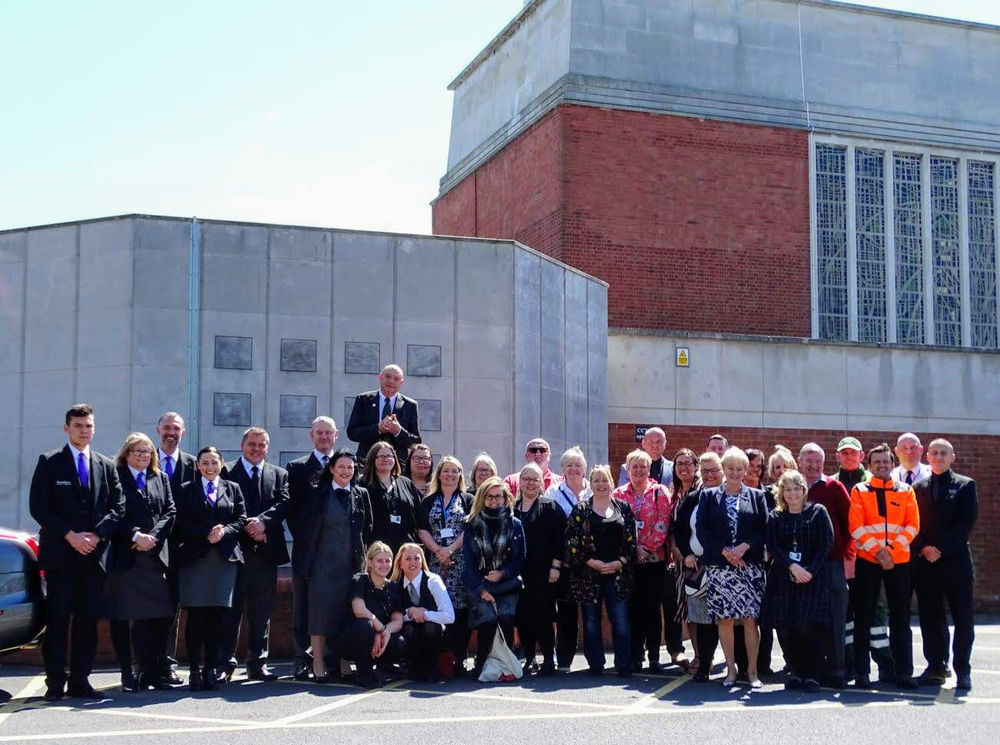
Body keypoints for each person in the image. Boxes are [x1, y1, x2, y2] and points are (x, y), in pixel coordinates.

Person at [29, 403, 125, 702]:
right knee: (57, 620)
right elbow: (39, 507)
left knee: (88, 621)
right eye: (78, 426)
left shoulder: (105, 465)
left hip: (94, 557)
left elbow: (118, 507)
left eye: (89, 426)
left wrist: (96, 535)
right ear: (67, 428)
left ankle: (81, 680)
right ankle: (55, 681)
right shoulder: (50, 461)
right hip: (61, 556)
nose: (84, 431)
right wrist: (70, 535)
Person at [291, 449, 372, 682]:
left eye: (350, 467)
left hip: (352, 564)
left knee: (347, 613)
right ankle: (317, 661)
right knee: (320, 613)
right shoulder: (318, 493)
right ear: (331, 469)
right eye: (341, 467)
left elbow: (367, 528)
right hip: (322, 563)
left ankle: (344, 660)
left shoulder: (361, 493)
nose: (346, 471)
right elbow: (306, 529)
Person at [217, 426, 290, 683]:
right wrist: (250, 528)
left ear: (267, 448)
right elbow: (223, 507)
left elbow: (283, 504)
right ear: (242, 445)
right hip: (235, 554)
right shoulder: (226, 472)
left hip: (266, 553)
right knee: (230, 612)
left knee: (262, 612)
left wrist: (263, 524)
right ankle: (224, 663)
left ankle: (257, 663)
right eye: (252, 444)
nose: (257, 449)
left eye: (262, 445)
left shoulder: (279, 475)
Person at [105, 433, 175, 692]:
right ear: (126, 454)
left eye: (147, 452)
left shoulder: (160, 477)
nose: (143, 456)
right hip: (127, 557)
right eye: (137, 451)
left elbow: (170, 511)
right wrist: (134, 535)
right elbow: (110, 513)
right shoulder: (115, 478)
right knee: (123, 618)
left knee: (156, 619)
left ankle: (150, 672)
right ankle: (127, 672)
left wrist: (153, 537)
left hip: (154, 558)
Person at [173, 446, 246, 691]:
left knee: (217, 617)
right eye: (205, 463)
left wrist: (224, 531)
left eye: (214, 462)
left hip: (223, 561)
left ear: (222, 464)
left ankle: (210, 670)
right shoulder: (186, 490)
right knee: (195, 617)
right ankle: (194, 670)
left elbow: (240, 519)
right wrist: (206, 533)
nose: (210, 467)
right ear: (198, 465)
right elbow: (179, 522)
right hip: (196, 559)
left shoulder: (232, 488)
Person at [848, 443, 920, 689]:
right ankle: (862, 673)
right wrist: (878, 552)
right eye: (877, 462)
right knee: (863, 616)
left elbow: (912, 526)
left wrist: (889, 552)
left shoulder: (906, 491)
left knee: (901, 617)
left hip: (898, 562)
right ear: (869, 466)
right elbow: (856, 526)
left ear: (893, 463)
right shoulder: (859, 490)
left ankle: (904, 672)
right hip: (869, 561)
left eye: (886, 461)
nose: (882, 465)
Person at [696, 447, 769, 688]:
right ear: (723, 470)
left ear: (746, 470)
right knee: (724, 619)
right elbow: (703, 529)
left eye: (740, 468)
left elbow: (764, 530)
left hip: (749, 566)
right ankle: (730, 671)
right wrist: (726, 551)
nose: (735, 473)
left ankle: (752, 672)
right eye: (730, 468)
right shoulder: (708, 496)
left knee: (750, 620)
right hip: (720, 567)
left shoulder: (757, 496)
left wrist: (743, 548)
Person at [911, 439, 978, 691]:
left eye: (944, 453)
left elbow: (965, 524)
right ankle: (936, 668)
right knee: (930, 617)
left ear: (953, 457)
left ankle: (963, 671)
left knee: (963, 618)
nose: (939, 457)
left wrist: (940, 548)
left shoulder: (965, 485)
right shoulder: (917, 487)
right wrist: (924, 548)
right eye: (935, 453)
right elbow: (912, 523)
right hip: (927, 564)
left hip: (956, 563)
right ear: (928, 457)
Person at [760, 470, 833, 693]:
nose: (792, 493)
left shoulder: (818, 512)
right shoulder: (775, 516)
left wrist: (809, 571)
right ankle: (794, 672)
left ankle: (811, 674)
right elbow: (772, 545)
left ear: (804, 490)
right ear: (781, 492)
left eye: (796, 489)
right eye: (787, 489)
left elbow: (826, 543)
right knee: (785, 627)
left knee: (807, 627)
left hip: (812, 578)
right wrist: (792, 567)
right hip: (783, 577)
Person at [564, 465, 635, 677]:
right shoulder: (581, 510)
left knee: (621, 620)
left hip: (618, 575)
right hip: (588, 575)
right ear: (591, 484)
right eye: (596, 480)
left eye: (605, 480)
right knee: (591, 622)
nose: (601, 484)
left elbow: (632, 541)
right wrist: (590, 561)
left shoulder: (623, 507)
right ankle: (596, 664)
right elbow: (571, 542)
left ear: (612, 484)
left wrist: (620, 562)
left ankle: (624, 664)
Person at [284, 415, 339, 680]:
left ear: (336, 436)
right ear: (311, 436)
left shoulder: (345, 466)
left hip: (335, 553)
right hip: (307, 551)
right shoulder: (296, 469)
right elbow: (291, 511)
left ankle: (332, 656)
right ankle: (300, 658)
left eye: (329, 433)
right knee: (302, 607)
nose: (324, 438)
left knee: (333, 604)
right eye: (319, 433)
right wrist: (308, 540)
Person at [797, 442, 851, 688]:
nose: (814, 464)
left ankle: (837, 671)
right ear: (800, 461)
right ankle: (812, 671)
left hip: (830, 564)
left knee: (835, 618)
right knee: (809, 620)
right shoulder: (793, 488)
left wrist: (841, 550)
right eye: (809, 460)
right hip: (803, 567)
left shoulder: (834, 487)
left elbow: (849, 521)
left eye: (818, 460)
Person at [614, 449, 671, 673]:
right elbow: (616, 526)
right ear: (627, 470)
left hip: (654, 560)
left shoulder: (659, 491)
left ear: (650, 469)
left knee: (652, 610)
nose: (639, 470)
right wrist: (632, 550)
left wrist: (646, 548)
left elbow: (663, 523)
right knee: (633, 610)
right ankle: (636, 656)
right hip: (628, 562)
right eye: (634, 466)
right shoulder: (618, 494)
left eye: (643, 466)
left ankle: (655, 656)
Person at [417, 456, 474, 676]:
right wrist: (438, 551)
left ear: (460, 475)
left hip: (460, 561)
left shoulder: (468, 499)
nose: (450, 475)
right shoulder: (429, 500)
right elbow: (422, 529)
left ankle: (459, 660)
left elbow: (469, 528)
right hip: (435, 562)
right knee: (438, 607)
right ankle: (440, 659)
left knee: (460, 611)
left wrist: (449, 550)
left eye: (455, 471)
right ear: (439, 474)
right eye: (446, 471)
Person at [463, 477, 526, 678]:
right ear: (482, 498)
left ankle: (507, 665)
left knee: (506, 617)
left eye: (498, 496)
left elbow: (520, 558)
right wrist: (481, 590)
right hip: (480, 585)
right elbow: (469, 563)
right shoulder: (471, 524)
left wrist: (503, 573)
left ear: (505, 498)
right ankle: (481, 664)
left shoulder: (515, 524)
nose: (493, 500)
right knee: (488, 619)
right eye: (489, 496)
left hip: (507, 584)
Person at [155, 411, 197, 685]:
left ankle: (167, 663)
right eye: (167, 428)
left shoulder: (194, 464)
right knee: (147, 608)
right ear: (158, 430)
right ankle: (146, 663)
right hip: (149, 547)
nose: (172, 433)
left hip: (181, 548)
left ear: (183, 433)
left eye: (177, 429)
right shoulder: (145, 459)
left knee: (174, 608)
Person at [513, 463, 567, 676]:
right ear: (520, 482)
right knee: (523, 617)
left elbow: (560, 539)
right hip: (519, 573)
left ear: (541, 482)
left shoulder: (550, 506)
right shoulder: (512, 508)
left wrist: (556, 566)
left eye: (535, 479)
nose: (530, 483)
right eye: (526, 478)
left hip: (545, 572)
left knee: (544, 617)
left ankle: (547, 658)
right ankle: (529, 658)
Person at [545, 446, 593, 669]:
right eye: (569, 465)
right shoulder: (552, 493)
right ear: (562, 468)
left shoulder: (594, 490)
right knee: (566, 612)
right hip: (564, 563)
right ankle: (564, 660)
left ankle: (596, 661)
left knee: (591, 613)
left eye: (577, 465)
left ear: (584, 468)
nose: (573, 469)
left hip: (591, 563)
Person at [674, 451, 718, 682]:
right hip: (697, 568)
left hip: (726, 567)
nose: (709, 475)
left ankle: (740, 668)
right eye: (706, 471)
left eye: (714, 470)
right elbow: (680, 531)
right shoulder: (692, 498)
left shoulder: (729, 495)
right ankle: (704, 665)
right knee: (702, 620)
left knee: (732, 620)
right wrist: (688, 554)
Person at [342, 542, 407, 688]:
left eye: (387, 560)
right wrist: (381, 629)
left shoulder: (393, 587)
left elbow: (398, 620)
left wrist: (383, 632)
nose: (384, 565)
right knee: (364, 625)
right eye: (379, 560)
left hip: (377, 636)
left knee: (400, 641)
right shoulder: (359, 580)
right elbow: (359, 610)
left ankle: (385, 668)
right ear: (370, 562)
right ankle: (364, 674)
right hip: (353, 639)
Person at [394, 542, 456, 682]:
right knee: (408, 630)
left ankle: (433, 668)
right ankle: (414, 667)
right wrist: (410, 612)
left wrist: (425, 614)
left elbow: (449, 616)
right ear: (400, 563)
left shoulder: (433, 581)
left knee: (429, 627)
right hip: (412, 631)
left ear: (422, 561)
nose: (413, 562)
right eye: (408, 559)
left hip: (436, 631)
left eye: (417, 558)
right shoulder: (395, 585)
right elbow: (393, 616)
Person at [346, 363, 421, 464]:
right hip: (367, 463)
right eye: (388, 376)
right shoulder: (364, 399)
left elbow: (415, 442)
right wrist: (377, 429)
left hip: (397, 466)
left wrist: (398, 431)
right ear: (380, 377)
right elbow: (352, 433)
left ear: (401, 382)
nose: (391, 381)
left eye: (396, 378)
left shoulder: (410, 405)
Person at [361, 442, 421, 554]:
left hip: (405, 550)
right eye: (381, 456)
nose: (385, 459)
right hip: (376, 551)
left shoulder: (406, 483)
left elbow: (419, 516)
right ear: (373, 459)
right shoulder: (363, 485)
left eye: (389, 456)